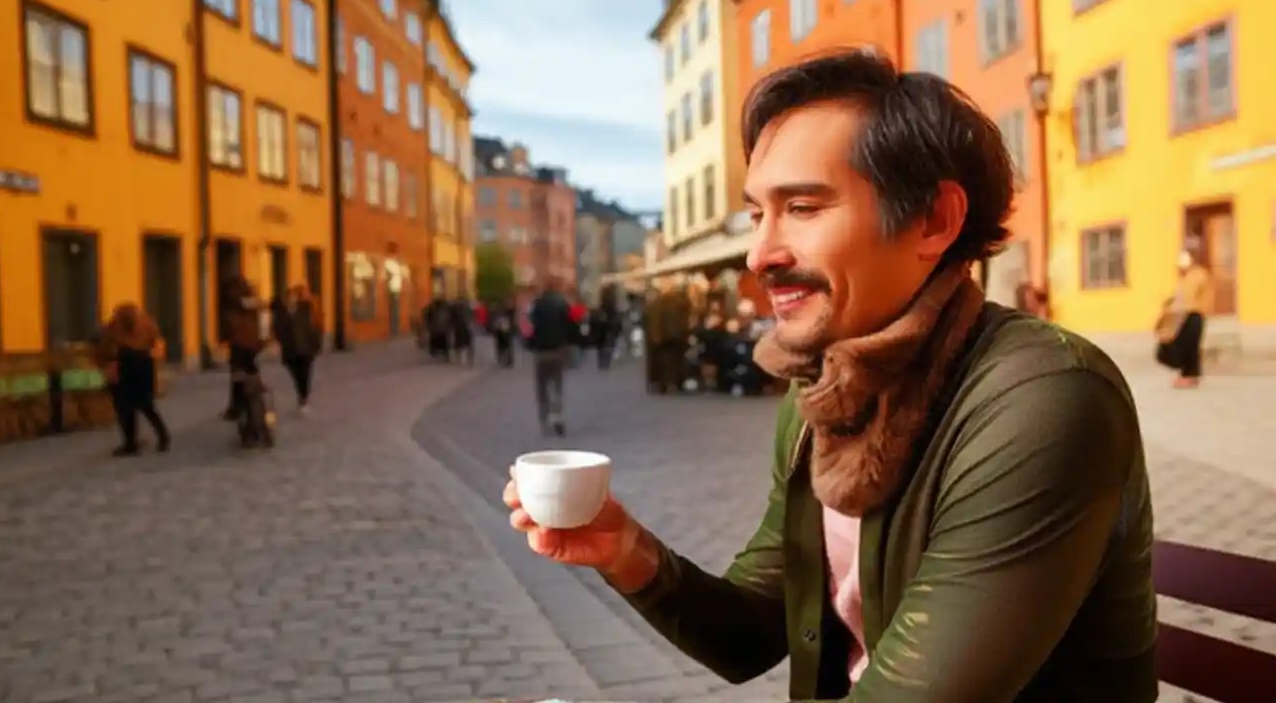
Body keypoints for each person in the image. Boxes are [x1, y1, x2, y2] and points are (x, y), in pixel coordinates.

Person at [505, 50, 1157, 702]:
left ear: (933, 221)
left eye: (805, 207)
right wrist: (623, 548)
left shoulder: (1043, 399)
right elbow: (751, 631)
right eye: (758, 213)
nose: (761, 254)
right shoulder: (826, 389)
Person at [99, 303, 170, 456]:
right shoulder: (147, 323)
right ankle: (163, 436)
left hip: (125, 364)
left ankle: (130, 443)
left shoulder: (114, 326)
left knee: (125, 407)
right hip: (144, 363)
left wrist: (108, 364)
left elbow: (108, 346)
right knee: (146, 404)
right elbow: (156, 341)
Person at [1156, 249, 1212, 388]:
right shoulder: (1185, 278)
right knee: (1184, 346)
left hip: (1194, 314)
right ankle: (1187, 374)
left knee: (1190, 346)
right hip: (1183, 315)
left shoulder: (1199, 275)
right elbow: (1179, 297)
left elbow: (1189, 297)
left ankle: (1190, 375)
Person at [526, 279, 575, 437]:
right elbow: (570, 325)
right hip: (558, 349)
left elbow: (530, 326)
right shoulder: (562, 304)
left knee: (542, 387)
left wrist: (530, 343)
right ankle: (558, 417)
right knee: (556, 385)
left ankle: (544, 418)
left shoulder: (536, 305)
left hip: (541, 351)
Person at [273, 284, 323, 413]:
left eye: (294, 296)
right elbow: (278, 328)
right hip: (291, 349)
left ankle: (303, 398)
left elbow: (314, 326)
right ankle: (302, 395)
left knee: (305, 374)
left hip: (305, 348)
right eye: (289, 297)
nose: (292, 299)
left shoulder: (305, 308)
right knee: (296, 373)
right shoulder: (282, 312)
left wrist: (316, 344)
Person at [224, 281, 266, 421]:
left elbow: (231, 328)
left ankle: (237, 408)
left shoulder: (234, 309)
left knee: (238, 378)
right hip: (250, 347)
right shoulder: (252, 307)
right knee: (251, 375)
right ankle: (255, 406)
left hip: (239, 347)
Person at [488, 299, 517, 368]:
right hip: (502, 330)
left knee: (504, 345)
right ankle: (505, 359)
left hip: (504, 330)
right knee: (504, 345)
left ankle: (506, 360)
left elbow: (512, 321)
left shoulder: (509, 311)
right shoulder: (505, 311)